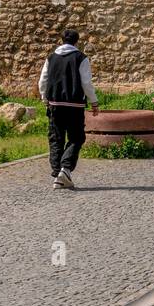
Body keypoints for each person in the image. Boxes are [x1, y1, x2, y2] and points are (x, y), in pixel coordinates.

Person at [38, 28, 99, 189]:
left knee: (56, 138)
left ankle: (58, 172)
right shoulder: (81, 58)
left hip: (55, 104)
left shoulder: (51, 58)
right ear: (76, 41)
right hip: (74, 105)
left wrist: (45, 98)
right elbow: (86, 82)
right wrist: (94, 102)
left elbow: (43, 81)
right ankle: (65, 169)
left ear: (61, 40)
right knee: (77, 138)